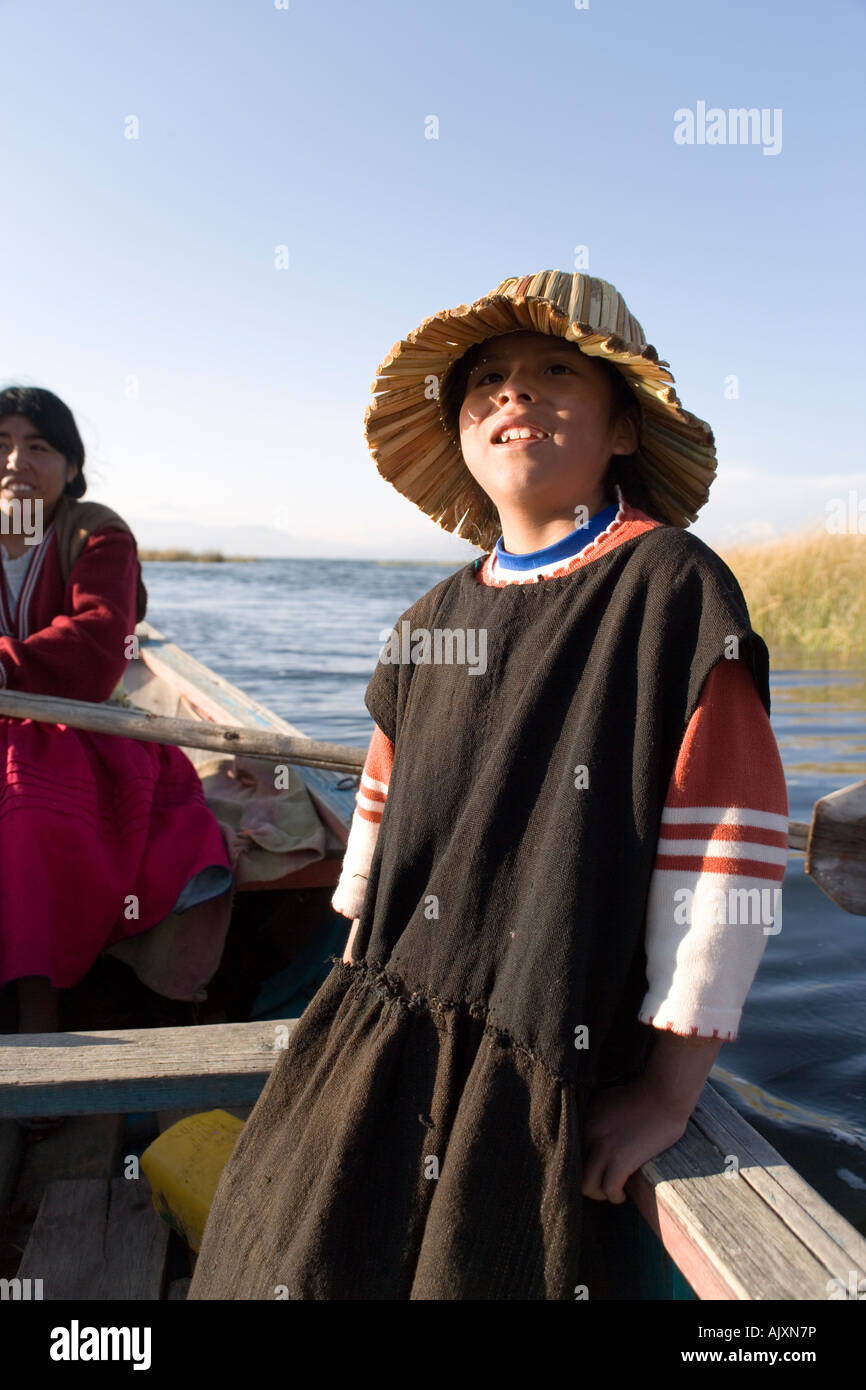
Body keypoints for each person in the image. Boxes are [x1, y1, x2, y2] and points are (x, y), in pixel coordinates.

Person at [188, 270, 789, 1300]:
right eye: (490, 382)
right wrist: (348, 977)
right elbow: (375, 831)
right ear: (463, 433)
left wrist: (665, 1088)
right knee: (286, 1248)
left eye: (556, 373)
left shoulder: (671, 591)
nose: (515, 395)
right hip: (389, 1002)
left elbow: (722, 851)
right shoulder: (430, 618)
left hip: (543, 1025)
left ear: (622, 430)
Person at [0, 386, 234, 1048]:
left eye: (37, 446)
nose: (16, 460)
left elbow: (101, 647)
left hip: (82, 728)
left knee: (33, 811)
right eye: (1, 444)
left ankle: (36, 1014)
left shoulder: (97, 533)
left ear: (70, 469)